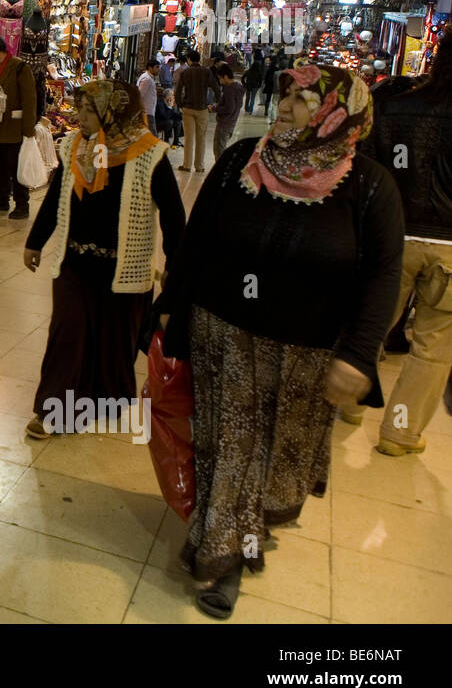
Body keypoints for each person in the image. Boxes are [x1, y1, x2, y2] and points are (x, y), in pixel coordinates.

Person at [160, 65, 403, 619]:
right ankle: (226, 559)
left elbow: (383, 275)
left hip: (306, 354)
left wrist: (360, 354)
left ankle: (236, 537)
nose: (286, 106)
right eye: (288, 95)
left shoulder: (367, 186)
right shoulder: (241, 161)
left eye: (303, 99)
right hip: (224, 335)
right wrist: (174, 309)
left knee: (272, 460)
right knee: (230, 449)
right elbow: (198, 239)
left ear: (338, 115)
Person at [23, 81, 185, 440]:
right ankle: (54, 411)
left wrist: (175, 268)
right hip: (75, 262)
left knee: (113, 341)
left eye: (87, 110)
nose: (78, 116)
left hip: (123, 266)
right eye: (78, 108)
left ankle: (101, 399)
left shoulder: (149, 154)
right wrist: (35, 242)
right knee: (69, 331)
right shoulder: (73, 147)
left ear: (111, 112)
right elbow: (55, 200)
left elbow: (174, 216)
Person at [347, 42, 452, 456]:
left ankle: (351, 402)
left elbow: (367, 162)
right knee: (433, 347)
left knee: (372, 321)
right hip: (450, 250)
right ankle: (399, 432)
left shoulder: (395, 104)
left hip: (393, 233)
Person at [0, 32, 36, 219]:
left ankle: (22, 204)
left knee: (15, 167)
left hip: (14, 127)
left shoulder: (19, 67)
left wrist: (28, 130)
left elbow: (29, 100)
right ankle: (1, 199)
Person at [176, 49, 220, 172]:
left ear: (189, 60)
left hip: (188, 108)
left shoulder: (185, 73)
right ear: (199, 59)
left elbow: (178, 90)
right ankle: (199, 166)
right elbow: (216, 88)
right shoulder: (206, 72)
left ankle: (187, 165)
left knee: (189, 138)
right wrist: (216, 104)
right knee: (201, 138)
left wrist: (180, 104)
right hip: (202, 108)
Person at [211, 62, 243, 158]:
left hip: (224, 123)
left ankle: (220, 171)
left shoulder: (229, 89)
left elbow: (229, 108)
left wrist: (215, 108)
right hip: (232, 122)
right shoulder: (239, 87)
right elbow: (237, 105)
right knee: (221, 148)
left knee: (219, 150)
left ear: (225, 77)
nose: (220, 81)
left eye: (220, 78)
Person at [137, 59, 160, 135]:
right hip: (147, 111)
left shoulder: (149, 78)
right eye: (157, 67)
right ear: (150, 68)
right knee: (152, 136)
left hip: (148, 111)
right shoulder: (147, 79)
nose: (158, 70)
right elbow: (140, 95)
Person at [242, 50, 265, 114]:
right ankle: (251, 110)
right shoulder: (259, 73)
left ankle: (246, 108)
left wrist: (244, 83)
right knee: (252, 98)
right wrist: (259, 86)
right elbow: (260, 80)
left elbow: (243, 78)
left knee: (247, 97)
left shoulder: (248, 71)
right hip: (255, 87)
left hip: (248, 86)